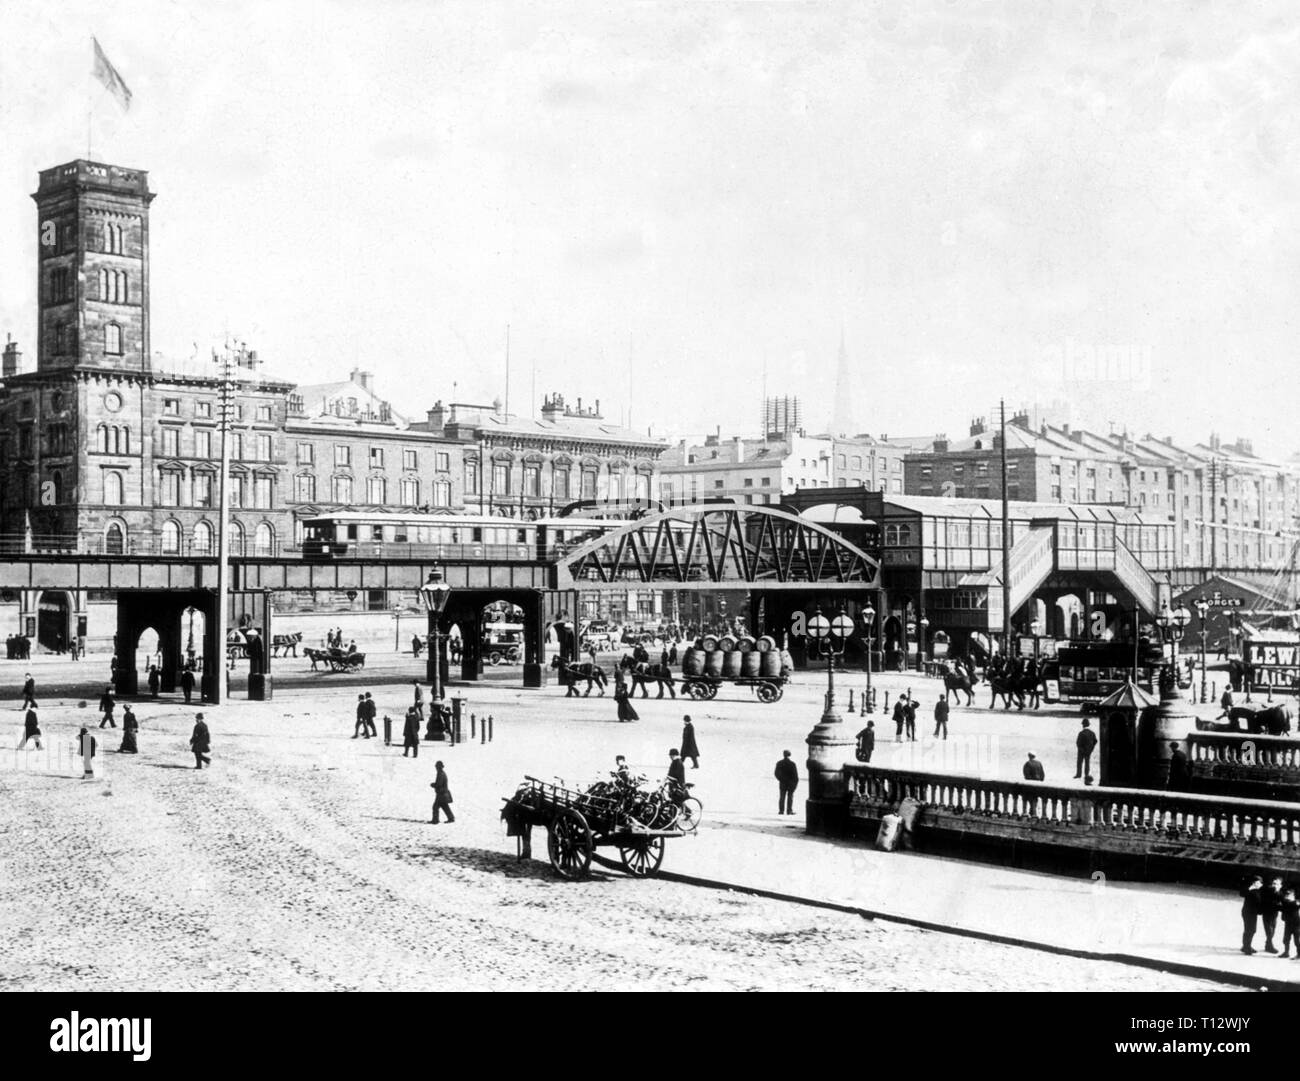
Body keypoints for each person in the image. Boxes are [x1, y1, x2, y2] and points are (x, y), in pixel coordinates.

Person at [1260, 875, 1285, 954]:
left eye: (1277, 884)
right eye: (1274, 883)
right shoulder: (1267, 890)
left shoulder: (1280, 893)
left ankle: (1267, 945)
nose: (1275, 886)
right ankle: (1270, 946)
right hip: (1266, 913)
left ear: (1280, 885)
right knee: (1269, 930)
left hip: (1274, 914)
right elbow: (1265, 900)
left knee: (1273, 929)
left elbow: (1282, 901)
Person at [1241, 874, 1264, 954]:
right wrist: (1250, 888)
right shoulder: (1250, 890)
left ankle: (1246, 946)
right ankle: (1246, 947)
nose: (1260, 884)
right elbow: (1242, 894)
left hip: (1252, 913)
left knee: (1250, 930)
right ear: (1253, 883)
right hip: (1248, 913)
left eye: (1260, 883)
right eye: (1258, 883)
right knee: (1250, 930)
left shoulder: (1259, 890)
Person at [774, 750, 799, 815]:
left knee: (782, 797)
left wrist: (781, 779)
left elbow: (776, 773)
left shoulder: (779, 763)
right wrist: (795, 784)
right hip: (791, 783)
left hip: (783, 783)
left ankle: (781, 811)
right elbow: (795, 776)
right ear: (789, 755)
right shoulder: (792, 764)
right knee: (790, 797)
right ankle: (789, 811)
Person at [1075, 719, 1097, 784]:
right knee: (1087, 763)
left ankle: (1079, 774)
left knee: (1079, 762)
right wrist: (1091, 748)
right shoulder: (1092, 733)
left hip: (1081, 751)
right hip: (1088, 751)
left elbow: (1078, 743)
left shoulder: (1081, 733)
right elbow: (1095, 741)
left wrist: (1081, 749)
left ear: (1083, 725)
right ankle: (1086, 774)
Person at [1281, 886, 1300, 959]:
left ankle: (1299, 954)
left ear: (1293, 896)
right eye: (1286, 894)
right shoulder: (1285, 902)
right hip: (1288, 924)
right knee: (1286, 939)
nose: (1287, 896)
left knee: (1297, 941)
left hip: (1296, 924)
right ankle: (1286, 952)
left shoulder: (1295, 903)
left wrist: (1293, 901)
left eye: (1289, 894)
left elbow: (1295, 905)